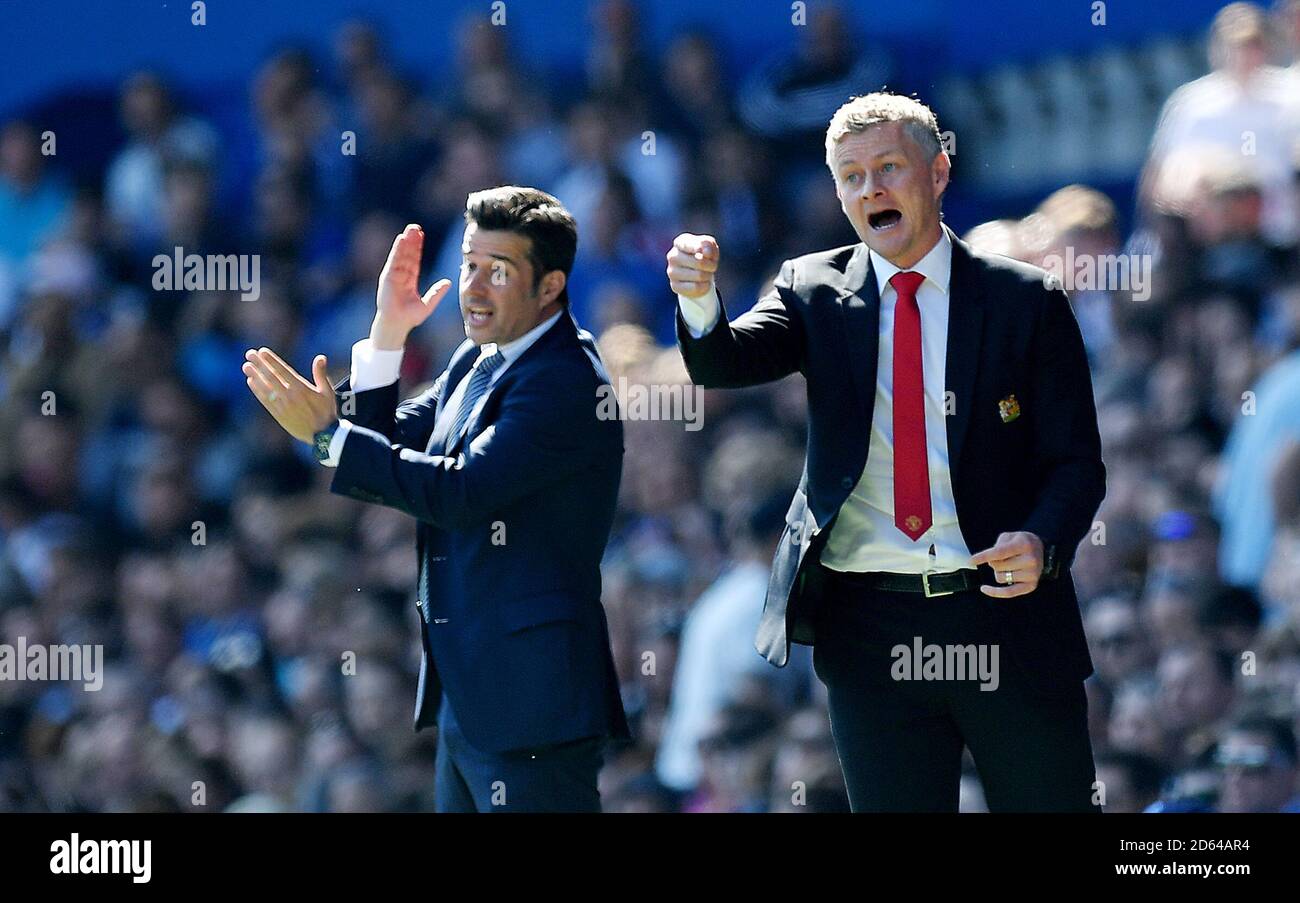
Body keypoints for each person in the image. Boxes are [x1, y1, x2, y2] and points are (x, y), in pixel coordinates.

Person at [665, 92, 1106, 812]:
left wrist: (1043, 539)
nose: (870, 189)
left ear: (937, 173)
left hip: (1002, 613)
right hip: (870, 629)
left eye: (889, 167)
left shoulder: (1026, 299)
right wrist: (697, 300)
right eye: (851, 176)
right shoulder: (810, 289)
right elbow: (726, 363)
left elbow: (1076, 462)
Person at [242, 185, 629, 812]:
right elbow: (391, 443)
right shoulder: (478, 360)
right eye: (469, 264)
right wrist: (388, 334)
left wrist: (326, 435)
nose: (474, 287)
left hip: (532, 708)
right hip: (470, 698)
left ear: (551, 286)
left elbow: (459, 489)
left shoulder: (566, 381)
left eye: (498, 272)